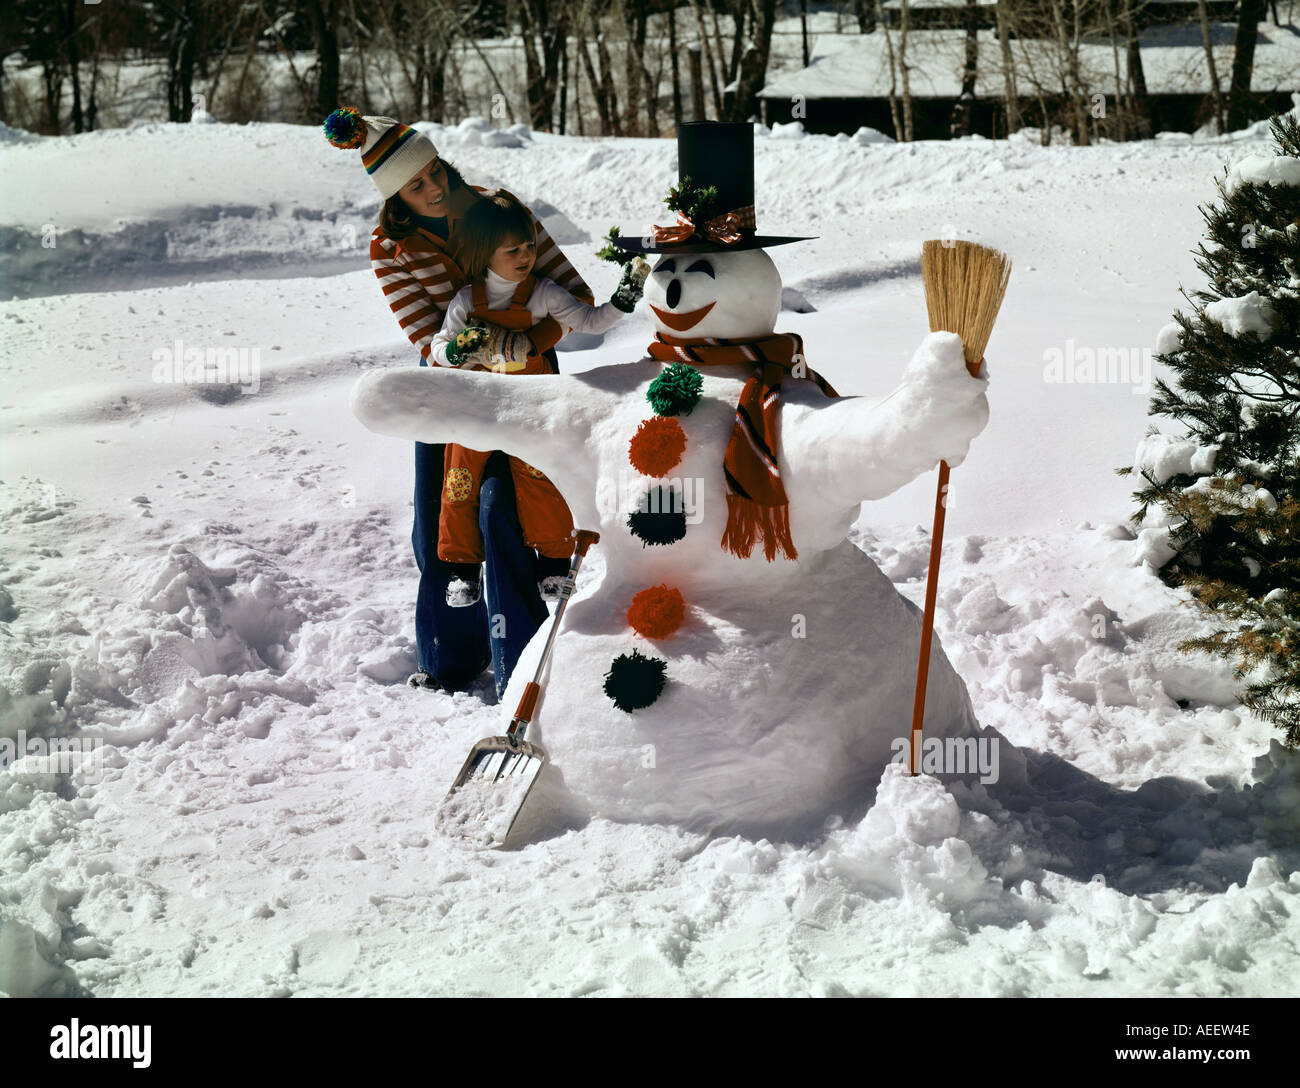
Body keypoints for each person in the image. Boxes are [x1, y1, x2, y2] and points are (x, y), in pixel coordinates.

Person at [323, 107, 598, 698]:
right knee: (442, 521)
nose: (433, 190)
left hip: (527, 379)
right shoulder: (389, 246)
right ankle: (450, 659)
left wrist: (528, 341)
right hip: (449, 392)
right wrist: (466, 350)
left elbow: (574, 297)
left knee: (515, 510)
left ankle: (525, 663)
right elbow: (425, 335)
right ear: (394, 197)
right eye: (415, 186)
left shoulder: (496, 208)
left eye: (434, 173)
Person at [430, 190, 647, 608]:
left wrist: (621, 301)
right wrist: (455, 351)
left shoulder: (542, 293)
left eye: (529, 245)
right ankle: (462, 570)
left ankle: (552, 562)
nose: (525, 254)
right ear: (484, 254)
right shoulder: (465, 301)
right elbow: (437, 348)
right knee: (459, 480)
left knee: (540, 475)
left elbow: (588, 321)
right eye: (512, 249)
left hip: (528, 403)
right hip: (475, 405)